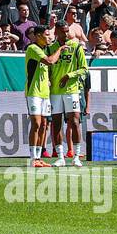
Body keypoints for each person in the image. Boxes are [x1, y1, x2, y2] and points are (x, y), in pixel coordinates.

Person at [23, 23, 64, 168]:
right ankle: (33, 158)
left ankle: (39, 157)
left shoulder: (43, 49)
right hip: (33, 92)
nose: (49, 38)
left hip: (45, 93)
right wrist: (59, 49)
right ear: (38, 36)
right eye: (46, 35)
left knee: (44, 125)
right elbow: (50, 61)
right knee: (36, 123)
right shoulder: (33, 48)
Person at [48, 21, 88, 167]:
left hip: (72, 90)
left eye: (67, 31)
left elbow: (84, 69)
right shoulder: (50, 48)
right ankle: (60, 157)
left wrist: (69, 75)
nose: (65, 34)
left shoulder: (76, 47)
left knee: (75, 121)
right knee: (56, 123)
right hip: (55, 92)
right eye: (62, 31)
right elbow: (46, 67)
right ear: (56, 32)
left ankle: (76, 156)